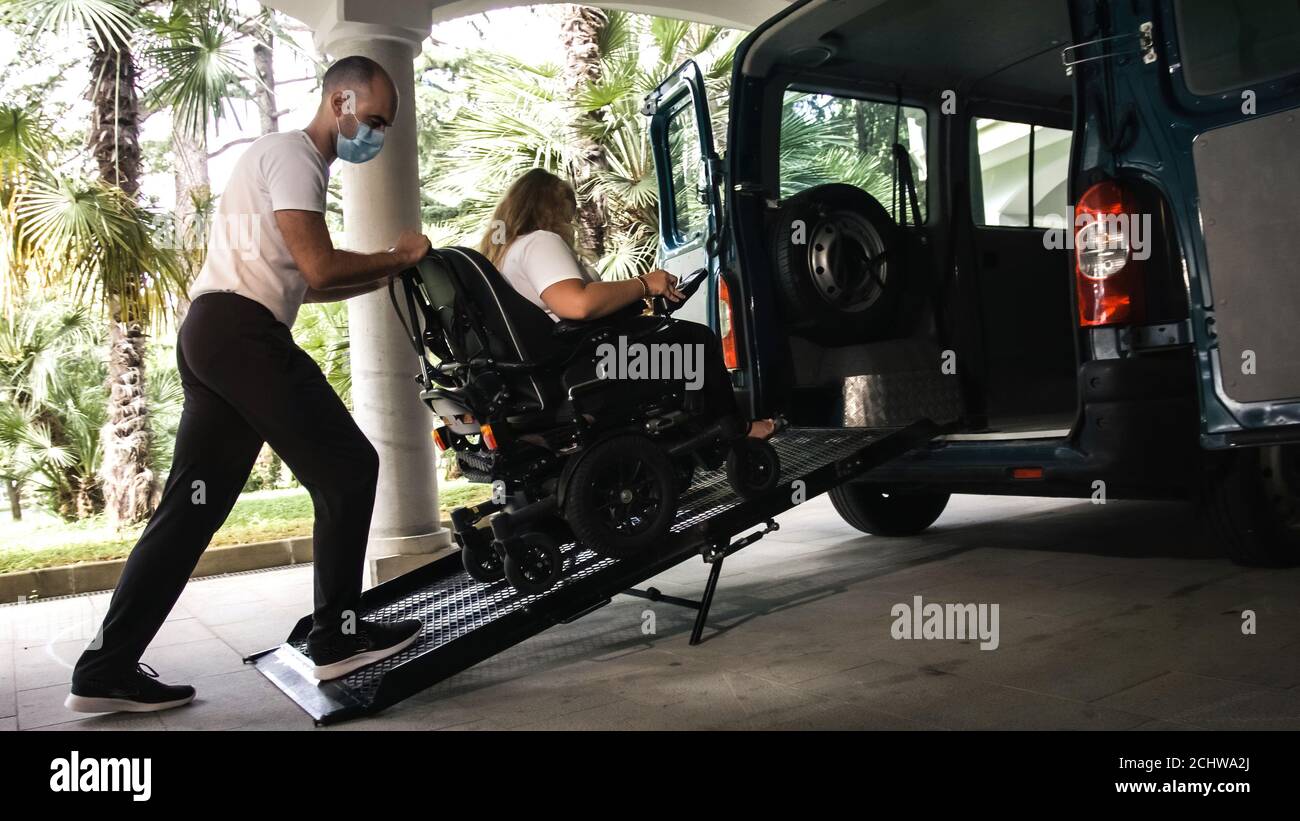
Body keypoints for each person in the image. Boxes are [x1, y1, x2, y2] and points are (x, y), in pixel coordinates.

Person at [66, 56, 429, 715]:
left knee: (191, 508)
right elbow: (318, 263)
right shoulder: (296, 155)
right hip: (242, 336)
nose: (376, 135)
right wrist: (398, 257)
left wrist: (382, 273)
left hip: (214, 335)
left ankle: (104, 669)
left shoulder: (282, 160)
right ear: (341, 100)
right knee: (349, 466)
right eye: (373, 120)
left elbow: (309, 282)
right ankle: (337, 638)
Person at [478, 168, 777, 438]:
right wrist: (644, 284)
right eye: (566, 213)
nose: (570, 223)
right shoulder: (540, 242)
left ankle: (695, 430)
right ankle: (735, 429)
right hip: (596, 363)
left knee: (674, 340)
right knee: (698, 343)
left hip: (559, 366)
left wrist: (635, 295)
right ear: (548, 208)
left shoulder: (506, 254)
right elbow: (577, 304)